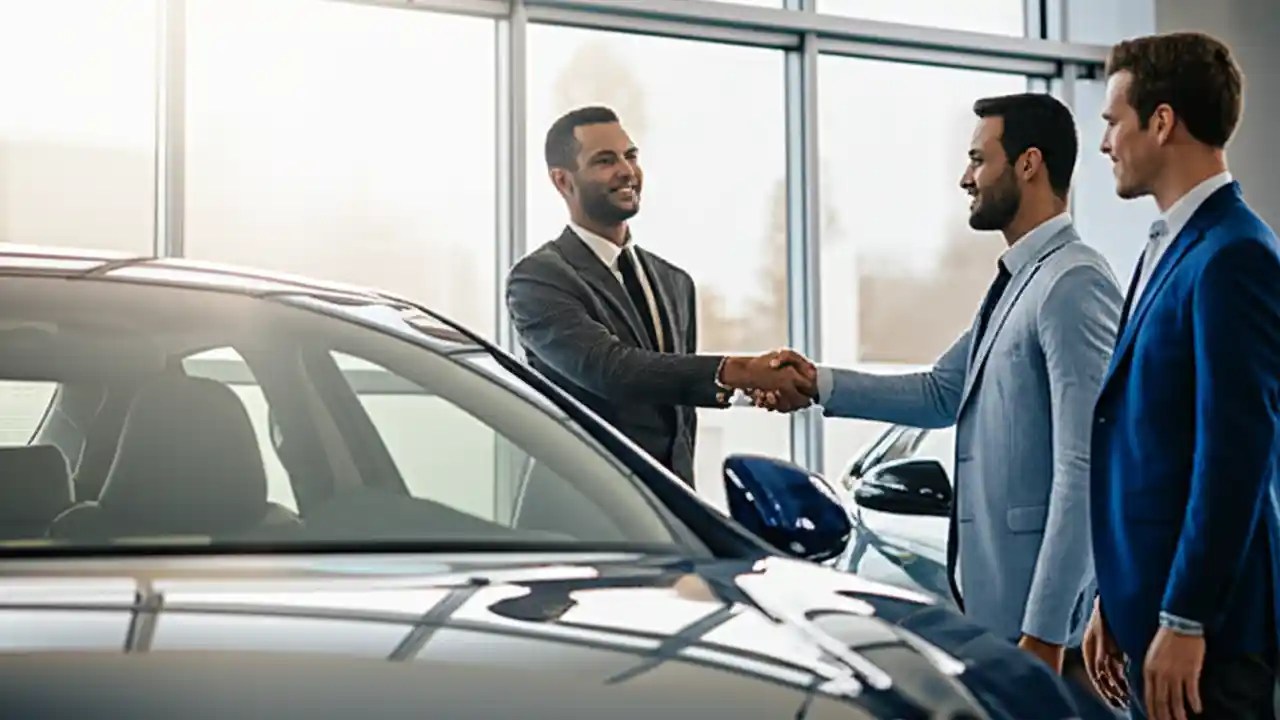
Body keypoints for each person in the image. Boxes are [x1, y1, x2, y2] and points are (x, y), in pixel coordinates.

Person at [763, 93, 1122, 671]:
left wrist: (1047, 631)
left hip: (1048, 634)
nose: (966, 178)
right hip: (1002, 614)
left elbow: (1086, 467)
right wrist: (816, 383)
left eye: (979, 160)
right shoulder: (1019, 280)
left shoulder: (1072, 283)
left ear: (1028, 164)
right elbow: (939, 393)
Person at [1082, 31, 1280, 720]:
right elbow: (1153, 444)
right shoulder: (1169, 244)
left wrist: (1187, 616)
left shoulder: (1235, 254)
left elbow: (1235, 455)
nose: (1105, 142)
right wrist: (1118, 596)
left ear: (1161, 122)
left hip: (1206, 640)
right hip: (1150, 610)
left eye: (1113, 121)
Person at [506, 106, 813, 486]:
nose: (626, 171)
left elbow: (671, 389)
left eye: (630, 156)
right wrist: (741, 369)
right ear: (562, 181)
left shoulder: (675, 282)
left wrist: (748, 388)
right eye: (605, 161)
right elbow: (613, 370)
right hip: (580, 513)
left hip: (674, 511)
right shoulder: (537, 279)